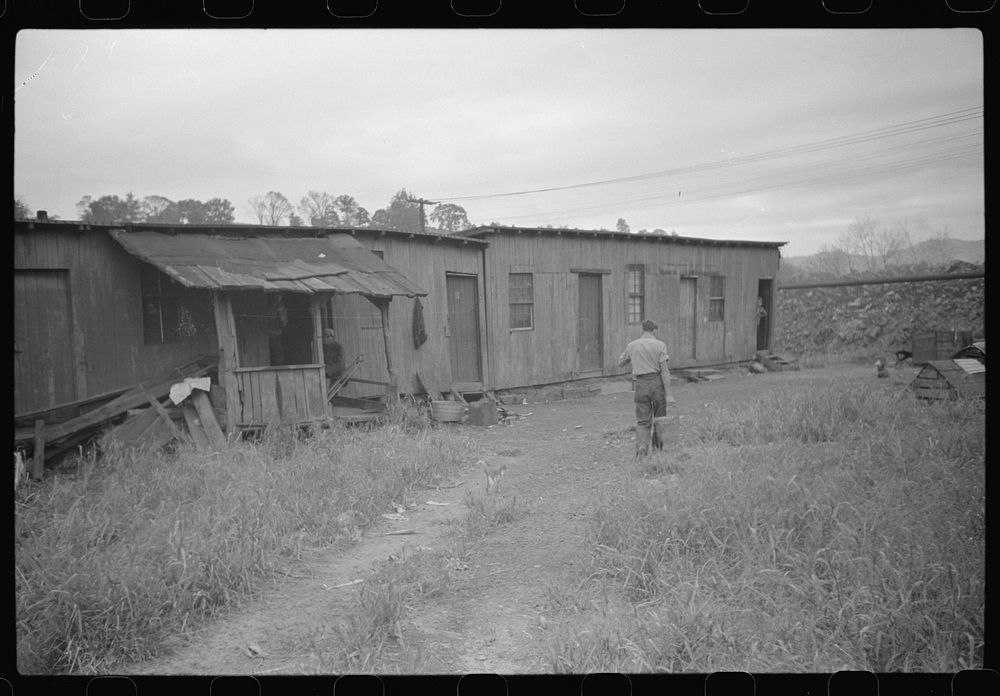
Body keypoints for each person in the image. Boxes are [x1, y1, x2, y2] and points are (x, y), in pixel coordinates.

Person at [618, 319, 677, 458]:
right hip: (656, 383)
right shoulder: (660, 345)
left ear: (643, 330)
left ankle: (641, 450)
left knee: (643, 421)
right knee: (660, 418)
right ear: (655, 331)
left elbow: (620, 363)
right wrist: (669, 395)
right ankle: (657, 451)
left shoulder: (632, 345)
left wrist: (630, 352)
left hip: (640, 384)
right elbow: (665, 371)